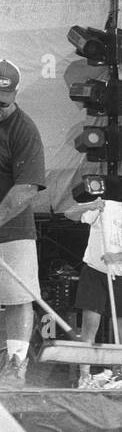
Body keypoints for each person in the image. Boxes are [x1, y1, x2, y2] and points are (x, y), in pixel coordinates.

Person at [62, 187, 122, 387]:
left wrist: (117, 257)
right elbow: (69, 214)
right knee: (90, 327)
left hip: (120, 277)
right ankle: (84, 377)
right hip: (94, 273)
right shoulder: (107, 208)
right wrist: (91, 205)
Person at [0, 59, 46, 387]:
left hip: (13, 227)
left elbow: (27, 187)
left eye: (3, 101)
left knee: (17, 297)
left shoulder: (23, 129)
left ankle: (15, 364)